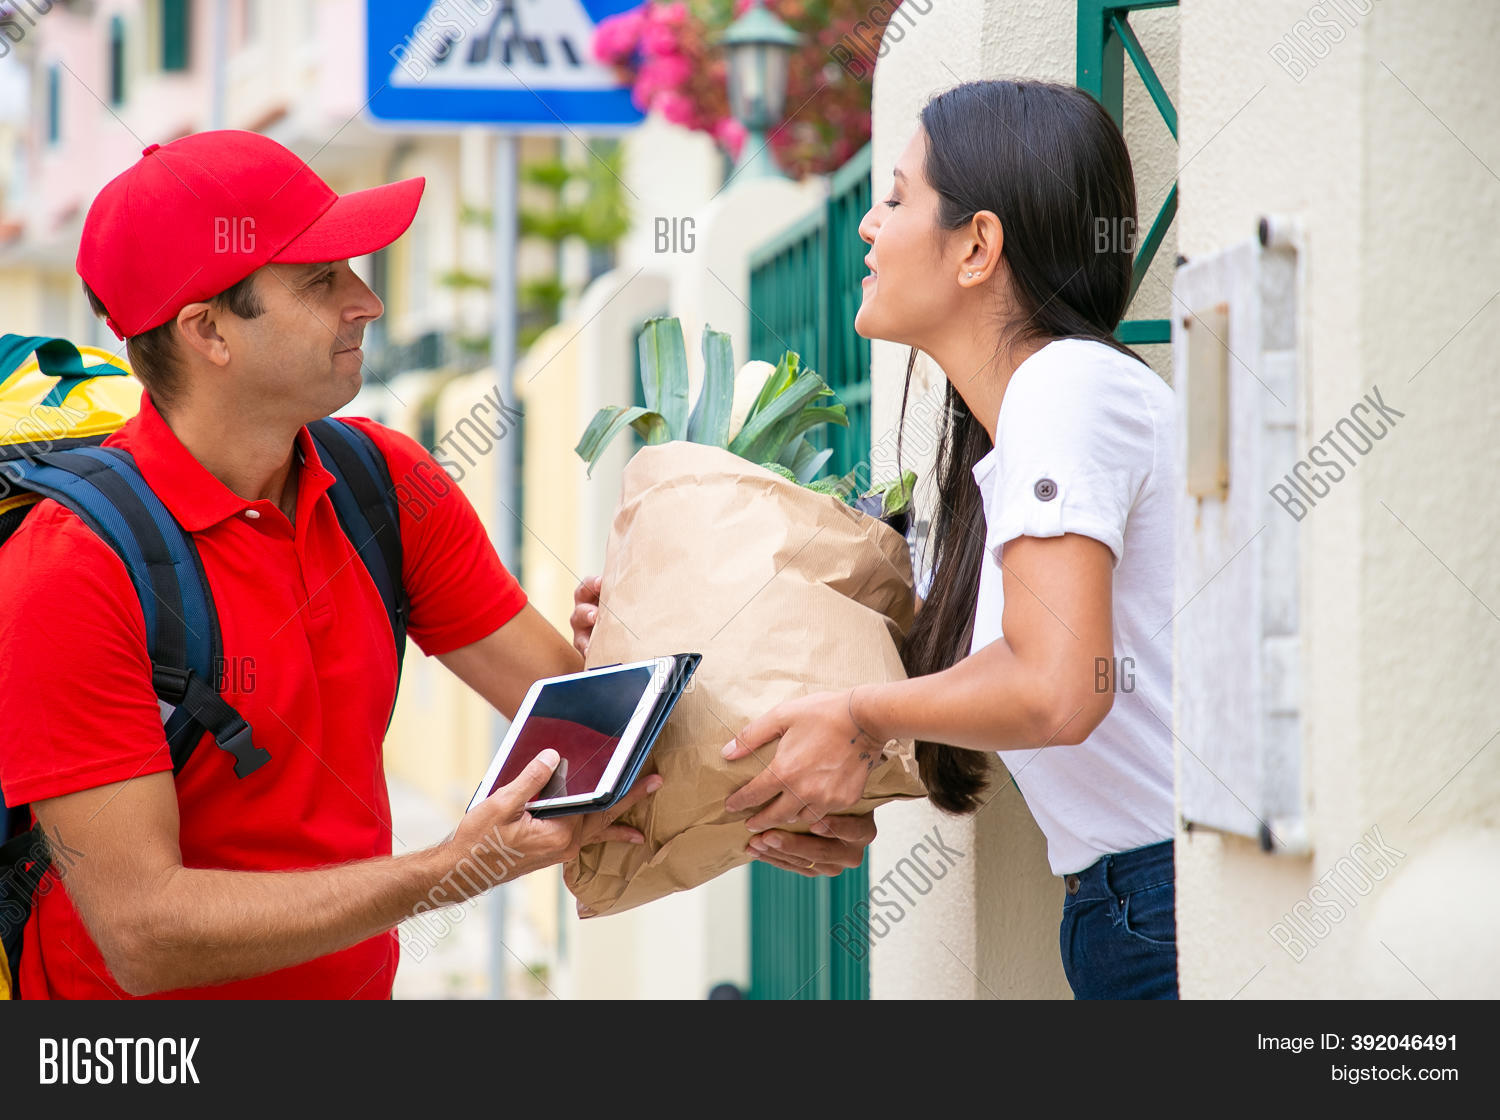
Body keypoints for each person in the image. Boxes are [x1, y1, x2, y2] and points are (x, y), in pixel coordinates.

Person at [0, 130, 871, 999]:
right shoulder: (72, 571)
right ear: (208, 332)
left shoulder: (383, 486)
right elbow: (141, 934)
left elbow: (598, 751)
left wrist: (782, 806)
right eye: (320, 280)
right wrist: (450, 868)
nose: (367, 302)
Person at [716, 80, 1181, 999]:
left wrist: (857, 719)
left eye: (894, 198)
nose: (866, 228)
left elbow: (1057, 688)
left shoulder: (1066, 389)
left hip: (1160, 906)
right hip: (1128, 904)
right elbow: (937, 679)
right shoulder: (999, 446)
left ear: (977, 246)